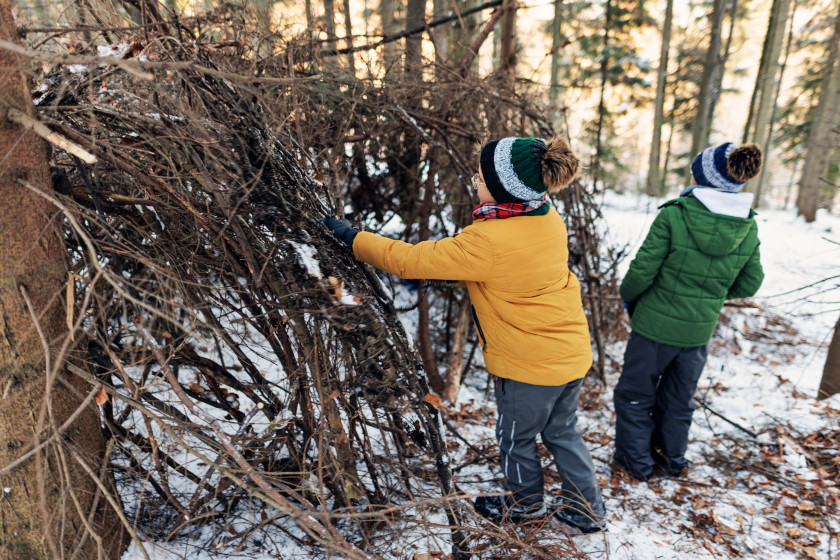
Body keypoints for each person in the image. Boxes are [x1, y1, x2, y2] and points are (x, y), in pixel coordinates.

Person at [325, 137, 606, 533]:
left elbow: (410, 261)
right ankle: (587, 508)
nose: (475, 178)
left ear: (503, 188)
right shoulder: (545, 216)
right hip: (570, 353)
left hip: (528, 366)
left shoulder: (487, 241)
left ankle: (523, 504)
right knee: (562, 431)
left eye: (482, 174)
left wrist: (353, 238)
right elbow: (509, 268)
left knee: (514, 438)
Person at [614, 142, 765, 481]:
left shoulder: (676, 213)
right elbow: (751, 281)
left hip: (653, 328)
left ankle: (635, 463)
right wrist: (712, 296)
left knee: (635, 396)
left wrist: (629, 298)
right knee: (678, 400)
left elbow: (641, 272)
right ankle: (671, 460)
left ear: (701, 176)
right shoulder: (748, 225)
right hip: (697, 334)